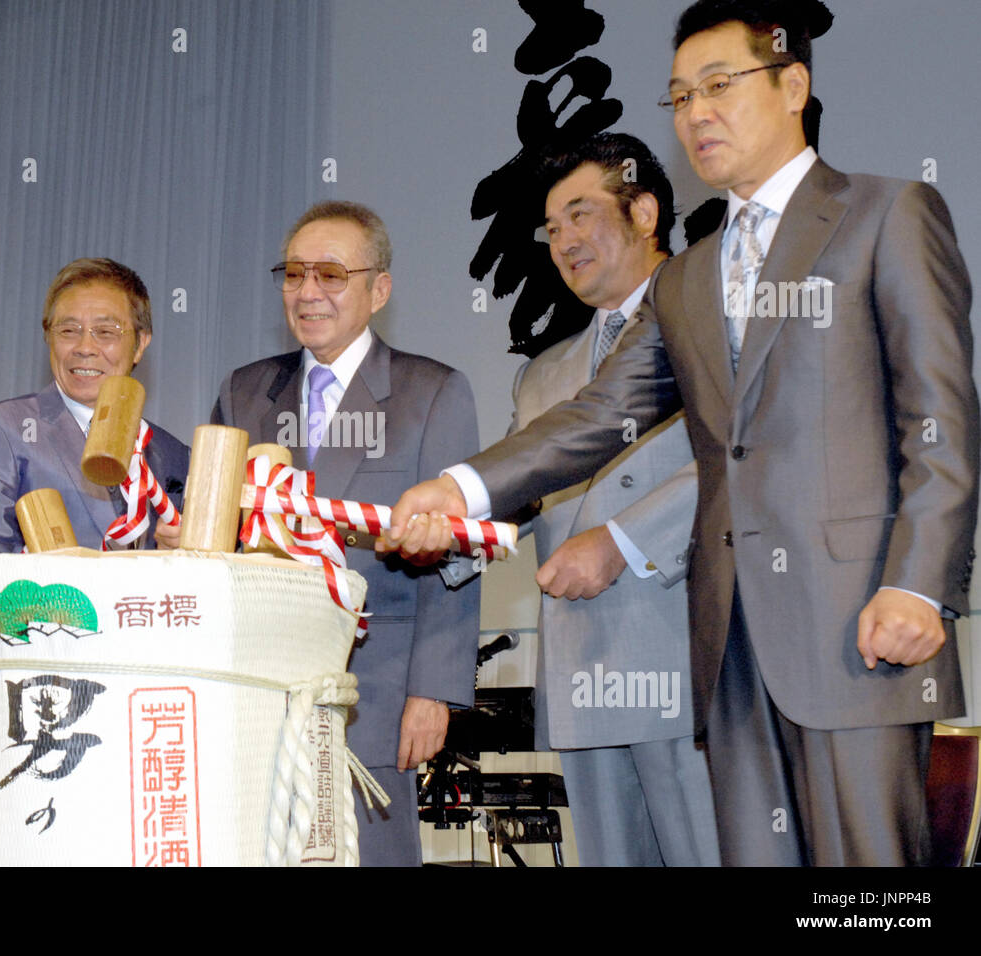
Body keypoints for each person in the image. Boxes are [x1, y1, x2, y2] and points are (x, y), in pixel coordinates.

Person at [382, 0, 977, 866]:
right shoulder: (689, 278)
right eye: (679, 97)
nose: (697, 112)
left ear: (794, 85)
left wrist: (920, 587)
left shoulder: (887, 214)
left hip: (862, 629)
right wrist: (460, 488)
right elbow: (596, 416)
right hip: (729, 648)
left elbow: (940, 418)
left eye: (719, 86)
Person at [213, 201, 480, 865]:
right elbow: (216, 530)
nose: (307, 292)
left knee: (371, 852)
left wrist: (435, 691)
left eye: (330, 274)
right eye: (294, 273)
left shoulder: (433, 392)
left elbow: (462, 557)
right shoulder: (246, 392)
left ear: (378, 288)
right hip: (257, 681)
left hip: (377, 685)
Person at [516, 132, 718, 866]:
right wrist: (435, 538)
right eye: (551, 227)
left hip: (688, 662)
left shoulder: (717, 319)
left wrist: (623, 541)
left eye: (580, 214)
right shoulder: (543, 375)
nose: (563, 239)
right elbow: (517, 497)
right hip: (584, 671)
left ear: (645, 211)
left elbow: (746, 462)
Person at [0, 258, 188, 552]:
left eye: (105, 332)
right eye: (68, 331)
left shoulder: (173, 454)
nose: (85, 348)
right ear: (48, 338)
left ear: (140, 344)